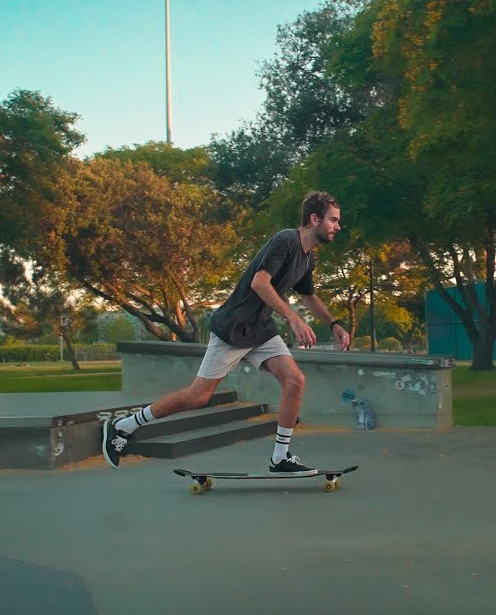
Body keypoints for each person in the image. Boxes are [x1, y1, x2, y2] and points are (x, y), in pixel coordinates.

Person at [101, 190, 351, 474]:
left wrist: (334, 323)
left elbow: (309, 297)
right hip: (233, 327)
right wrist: (293, 319)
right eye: (333, 220)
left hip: (261, 329)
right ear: (314, 219)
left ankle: (280, 457)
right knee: (198, 396)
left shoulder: (308, 259)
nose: (337, 227)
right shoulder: (286, 240)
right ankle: (124, 425)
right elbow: (260, 283)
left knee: (295, 380)